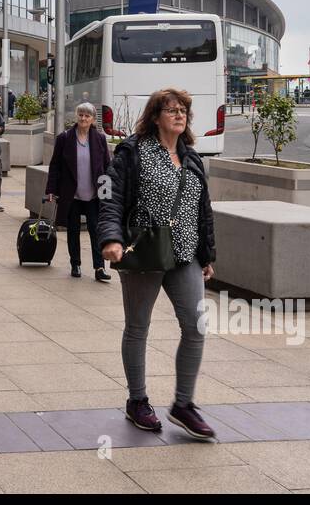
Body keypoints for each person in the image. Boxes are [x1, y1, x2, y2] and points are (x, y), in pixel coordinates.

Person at [96, 87, 217, 441]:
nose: (179, 115)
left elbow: (202, 212)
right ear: (155, 117)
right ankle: (138, 401)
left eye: (183, 111)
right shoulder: (133, 152)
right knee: (138, 327)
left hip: (185, 254)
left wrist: (207, 256)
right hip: (145, 251)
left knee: (195, 328)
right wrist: (111, 239)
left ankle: (183, 404)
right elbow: (111, 196)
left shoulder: (192, 157)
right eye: (172, 110)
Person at [46, 103, 112, 281]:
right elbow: (55, 166)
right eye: (81, 115)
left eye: (87, 116)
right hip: (71, 194)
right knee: (73, 230)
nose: (83, 119)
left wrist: (106, 194)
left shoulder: (99, 139)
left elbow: (107, 167)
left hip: (93, 194)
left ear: (92, 119)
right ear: (77, 116)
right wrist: (51, 190)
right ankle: (75, 263)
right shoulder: (65, 138)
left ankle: (99, 267)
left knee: (95, 230)